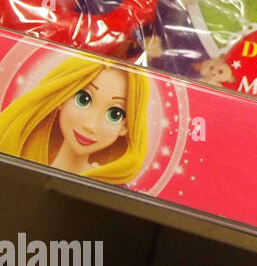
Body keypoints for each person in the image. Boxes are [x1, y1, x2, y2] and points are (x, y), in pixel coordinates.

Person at [0, 56, 150, 184]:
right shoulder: (17, 161)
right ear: (62, 98)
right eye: (83, 99)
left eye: (115, 114)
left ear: (126, 126)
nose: (90, 125)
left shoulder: (112, 189)